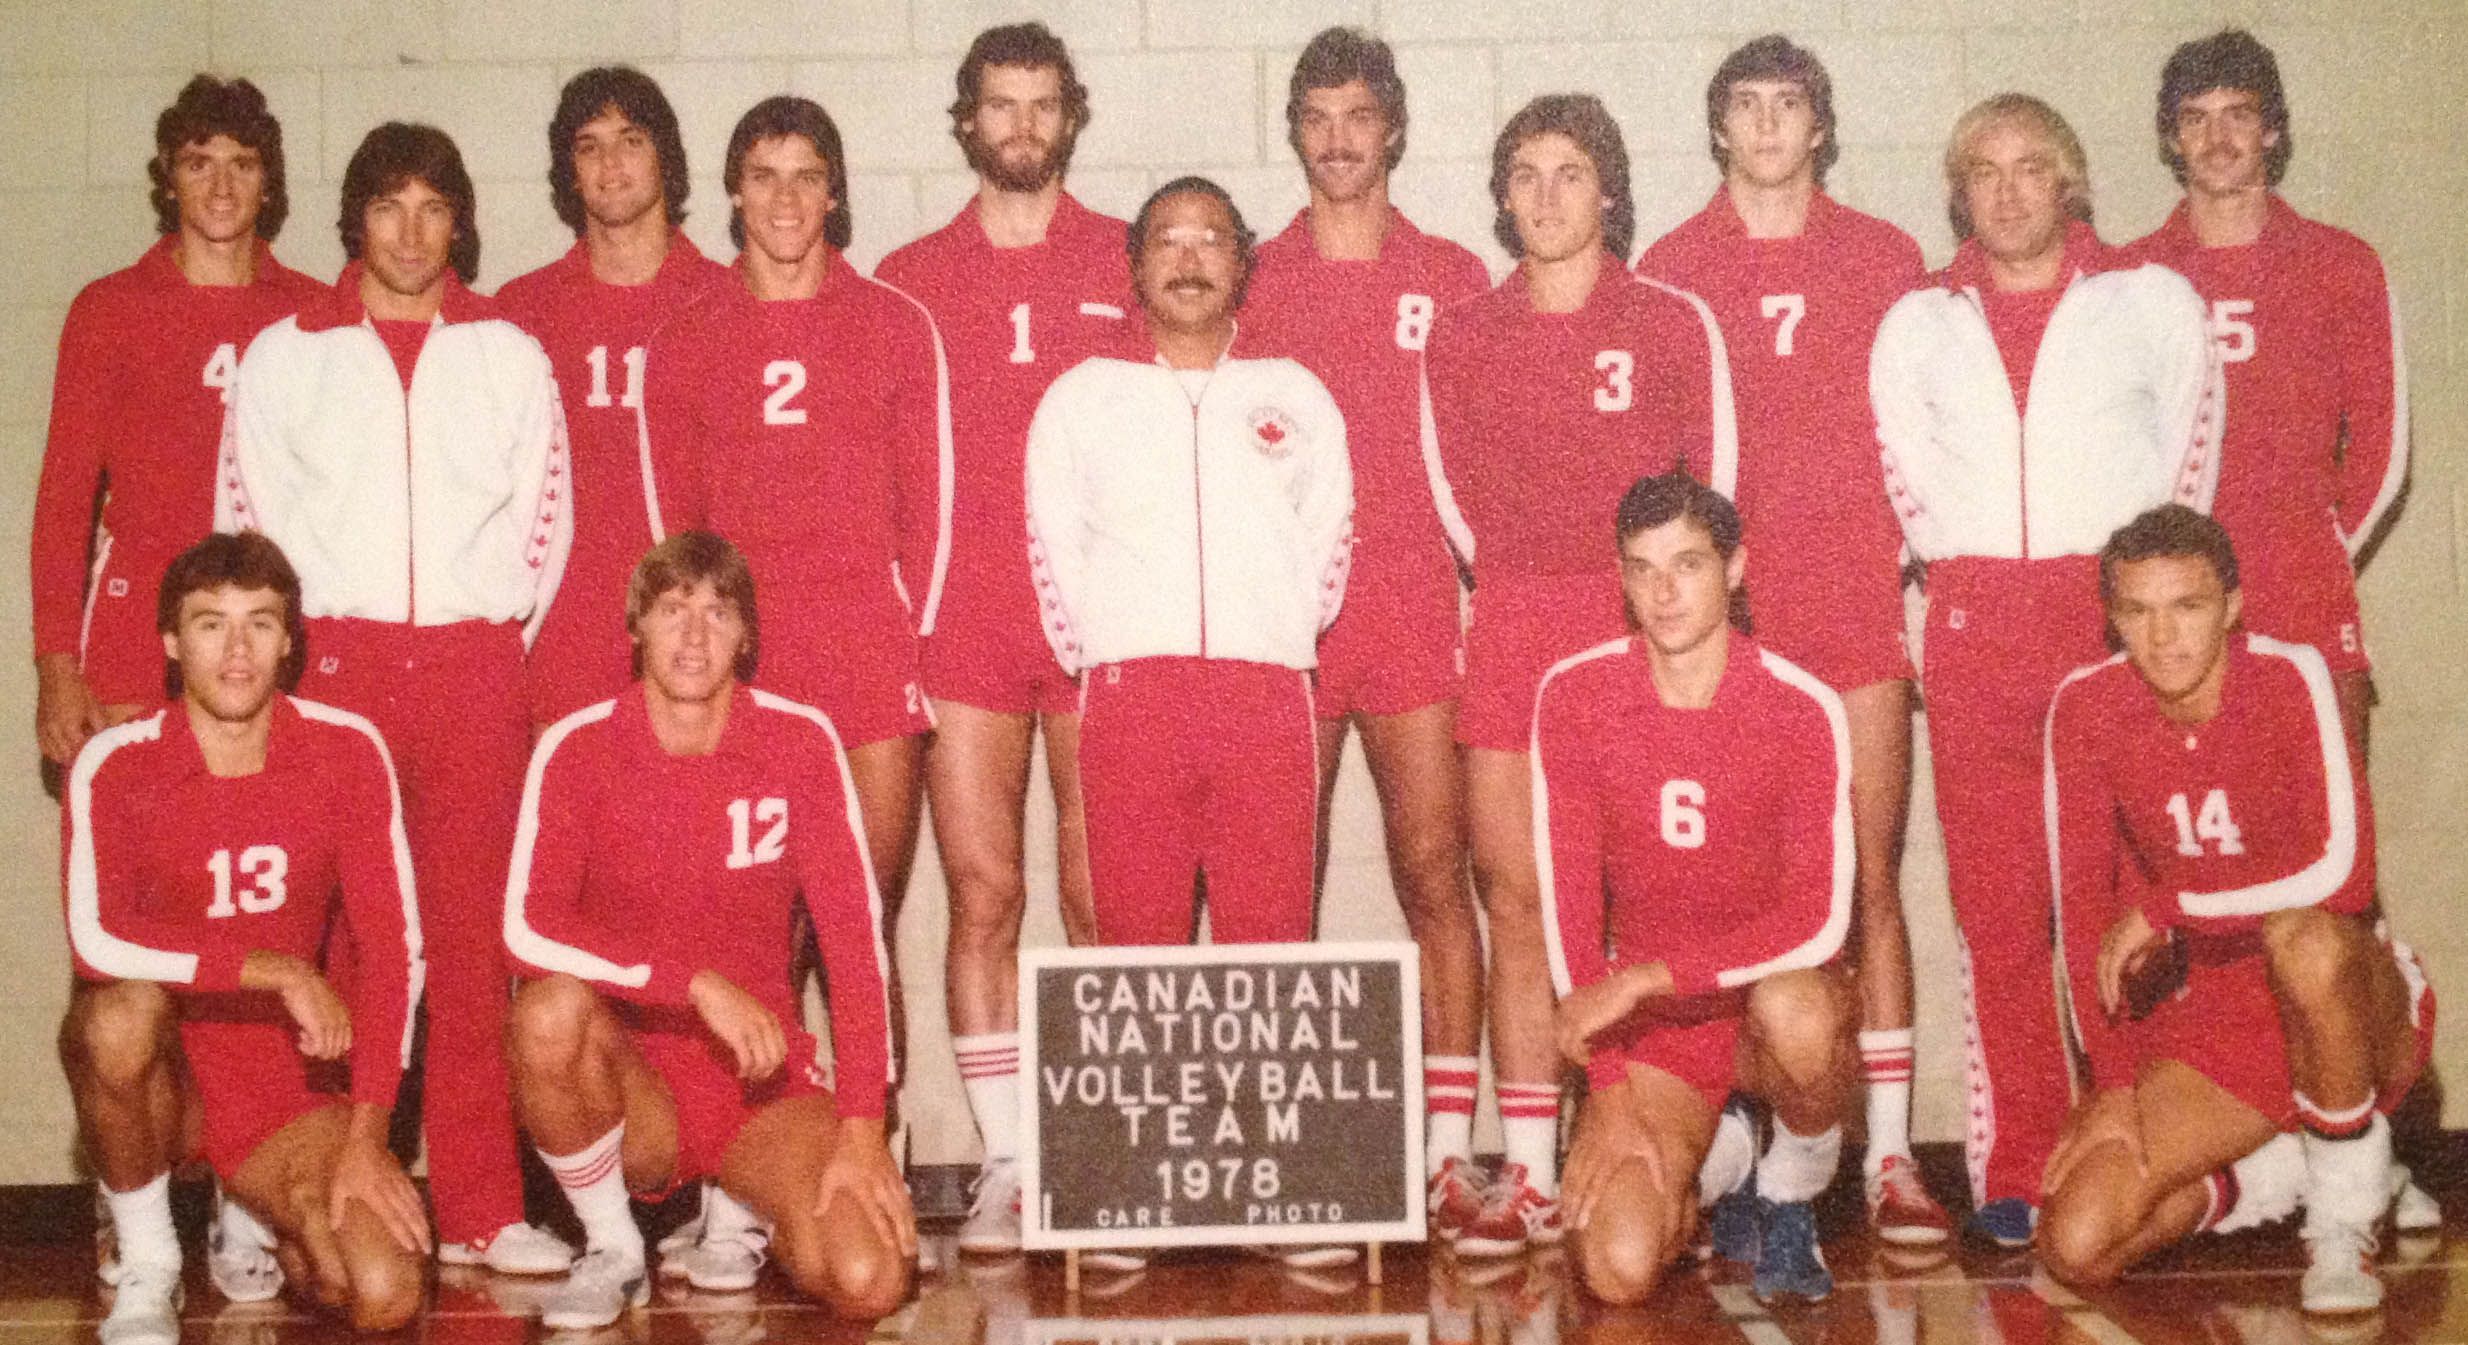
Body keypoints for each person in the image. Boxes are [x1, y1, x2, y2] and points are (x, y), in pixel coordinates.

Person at [216, 122, 574, 1273]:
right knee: (329, 939)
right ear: (355, 220)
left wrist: (483, 639)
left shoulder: (507, 351)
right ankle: (291, 1192)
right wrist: (300, 664)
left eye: (432, 209)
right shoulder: (287, 354)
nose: (410, 233)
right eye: (388, 207)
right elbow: (249, 523)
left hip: (472, 668)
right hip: (336, 670)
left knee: (467, 945)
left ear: (458, 222)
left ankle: (478, 1205)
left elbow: (546, 521)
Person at [1868, 93, 2220, 1246]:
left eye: (2029, 167)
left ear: (2066, 181)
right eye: (1983, 170)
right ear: (1957, 192)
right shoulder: (1916, 321)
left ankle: (2135, 1138)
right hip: (1976, 630)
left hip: (2104, 625)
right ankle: (2016, 1159)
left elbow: (2188, 465)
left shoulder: (2148, 300)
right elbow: (1904, 476)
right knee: (2000, 915)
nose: (2007, 190)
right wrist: (1967, 582)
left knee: (2123, 907)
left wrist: (2137, 609)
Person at [1636, 35, 1946, 1247]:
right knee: (1718, 882)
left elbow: (1928, 430)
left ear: (1819, 126)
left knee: (1868, 878)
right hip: (1729, 625)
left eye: (1788, 105)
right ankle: (1734, 1119)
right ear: (1717, 126)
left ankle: (1887, 1157)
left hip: (1850, 605)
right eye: (1745, 105)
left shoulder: (1885, 257)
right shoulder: (1671, 265)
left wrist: (1906, 552)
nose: (1767, 125)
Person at [1421, 93, 1736, 1254]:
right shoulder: (1461, 332)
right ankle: (1529, 1164)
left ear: (1608, 189)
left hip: (1635, 626)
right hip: (1514, 619)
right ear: (1501, 198)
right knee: (1513, 898)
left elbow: (1714, 493)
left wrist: (1664, 619)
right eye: (1524, 175)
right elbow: (1453, 498)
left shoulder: (1668, 320)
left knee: (1644, 897)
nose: (1546, 195)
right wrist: (1525, 579)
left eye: (1568, 173)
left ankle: (1681, 1128)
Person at [503, 532, 913, 1329]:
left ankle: (746, 1211)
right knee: (546, 1011)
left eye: (718, 613)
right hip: (632, 1085)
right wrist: (691, 983)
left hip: (760, 1079)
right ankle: (614, 1245)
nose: (694, 635)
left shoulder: (799, 740)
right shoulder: (577, 747)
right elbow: (527, 925)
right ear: (636, 627)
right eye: (672, 610)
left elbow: (855, 944)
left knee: (868, 1277)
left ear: (747, 636)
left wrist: (864, 1129)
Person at [2039, 505, 2432, 1315]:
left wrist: (2173, 907)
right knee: (2078, 1242)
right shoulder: (2086, 705)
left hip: (2349, 1000)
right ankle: (2301, 1165)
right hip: (2222, 1022)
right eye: (2138, 611)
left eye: (2187, 606)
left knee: (2304, 940)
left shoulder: (2290, 675)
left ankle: (2343, 1223)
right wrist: (2112, 1081)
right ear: (2112, 617)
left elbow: (2345, 873)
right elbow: (2081, 915)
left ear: (2232, 604)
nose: (2164, 637)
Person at [871, 22, 1129, 1257]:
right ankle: (1009, 1159)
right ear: (965, 120)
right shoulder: (908, 276)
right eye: (998, 104)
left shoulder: (1125, 254)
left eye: (1040, 104)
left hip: (1095, 620)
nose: (1020, 126)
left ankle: (1103, 1147)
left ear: (1069, 116)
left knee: (1097, 893)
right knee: (984, 891)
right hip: (964, 619)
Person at [1240, 27, 1495, 1243]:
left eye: (1358, 116)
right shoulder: (1253, 275)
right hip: (1284, 618)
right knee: (1272, 886)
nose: (1337, 139)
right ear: (1293, 130)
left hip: (1408, 608)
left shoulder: (1451, 274)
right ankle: (1281, 1154)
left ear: (1391, 127)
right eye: (1316, 117)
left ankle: (1447, 1154)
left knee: (1433, 874)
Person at [59, 532, 428, 1344]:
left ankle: (255, 1213)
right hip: (166, 1069)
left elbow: (393, 950)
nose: (236, 650)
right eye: (210, 624)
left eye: (260, 623)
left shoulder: (345, 747)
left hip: (283, 1079)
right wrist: (275, 969)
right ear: (170, 640)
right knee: (117, 1018)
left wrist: (368, 1136)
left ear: (289, 640)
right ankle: (150, 1259)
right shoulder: (116, 761)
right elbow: (95, 938)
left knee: (382, 1291)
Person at [1537, 470, 1853, 1306]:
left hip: (1765, 1002)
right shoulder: (1575, 695)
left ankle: (1791, 1189)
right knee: (1618, 1267)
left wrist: (1649, 975)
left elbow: (1820, 917)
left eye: (1687, 564)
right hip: (1659, 1033)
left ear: (1735, 567)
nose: (1664, 593)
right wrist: (1607, 1090)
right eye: (1642, 569)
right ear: (1621, 576)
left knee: (1800, 1010)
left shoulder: (1802, 706)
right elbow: (1569, 913)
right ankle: (1724, 1161)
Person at [639, 95, 950, 942]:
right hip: (748, 658)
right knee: (755, 937)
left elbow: (932, 513)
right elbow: (674, 538)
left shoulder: (894, 323)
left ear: (833, 194)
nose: (785, 199)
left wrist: (907, 643)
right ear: (734, 191)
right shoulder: (686, 337)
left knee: (862, 932)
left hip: (864, 653)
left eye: (807, 178)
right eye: (764, 177)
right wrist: (703, 660)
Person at [1022, 174, 1351, 965]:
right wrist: (1109, 651)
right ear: (1135, 265)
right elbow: (1054, 547)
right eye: (1167, 240)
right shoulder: (1081, 397)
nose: (1189, 258)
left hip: (1266, 702)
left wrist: (1274, 635)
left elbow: (1328, 533)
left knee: (1271, 958)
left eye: (1210, 239)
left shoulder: (1295, 393)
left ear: (1242, 263)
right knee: (1138, 957)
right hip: (1132, 705)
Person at [2120, 30, 2403, 751]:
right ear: (2171, 138)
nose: (2217, 139)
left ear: (2271, 128)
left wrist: (2318, 550)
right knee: (2184, 808)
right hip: (2172, 594)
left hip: (2302, 584)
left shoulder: (2341, 265)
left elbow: (2383, 444)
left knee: (2328, 803)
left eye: (2238, 115)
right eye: (2195, 119)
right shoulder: (2130, 277)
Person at [32, 76, 322, 772]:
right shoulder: (109, 310)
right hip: (136, 632)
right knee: (130, 826)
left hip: (268, 629)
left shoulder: (312, 313)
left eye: (242, 164)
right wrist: (57, 667)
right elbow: (64, 501)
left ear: (268, 183)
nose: (221, 187)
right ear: (168, 179)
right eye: (198, 163)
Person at [499, 66, 727, 729]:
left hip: (693, 632)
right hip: (559, 635)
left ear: (665, 158)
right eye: (589, 146)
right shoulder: (520, 312)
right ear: (568, 171)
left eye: (631, 140)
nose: (611, 164)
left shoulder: (723, 299)